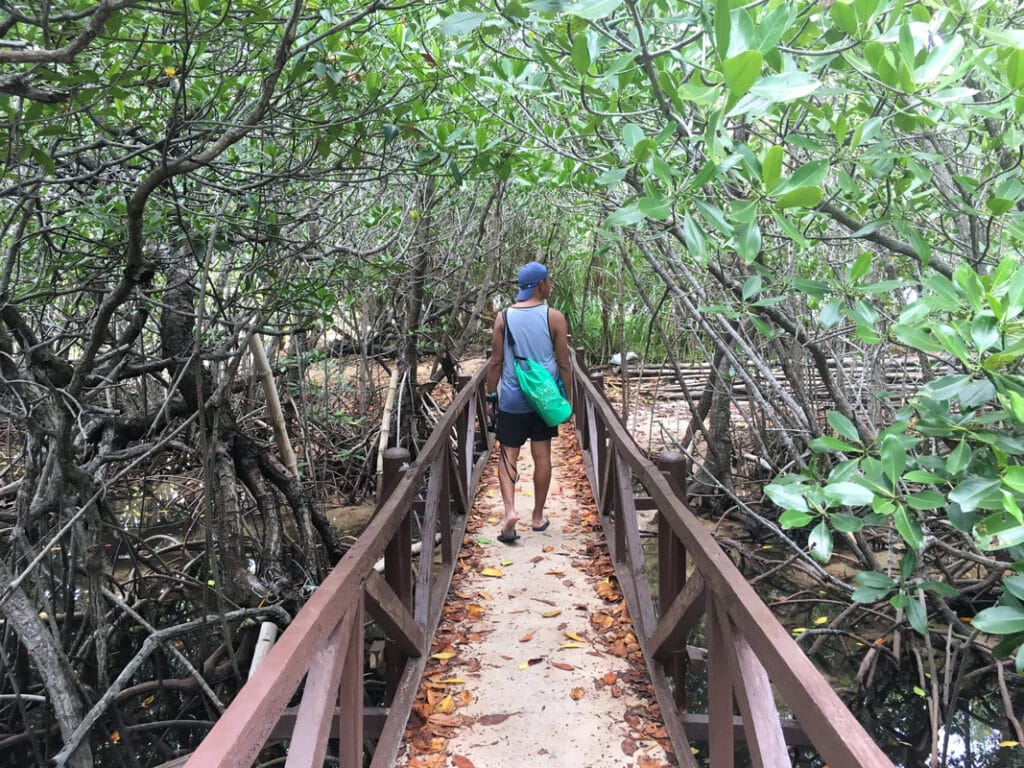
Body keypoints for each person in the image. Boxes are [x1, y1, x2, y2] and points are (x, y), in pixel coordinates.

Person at [485, 261, 572, 544]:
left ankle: (510, 512)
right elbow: (564, 363)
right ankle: (537, 516)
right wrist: (566, 400)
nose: (549, 285)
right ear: (539, 285)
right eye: (547, 280)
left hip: (512, 397)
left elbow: (495, 361)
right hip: (543, 400)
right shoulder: (554, 317)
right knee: (542, 455)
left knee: (507, 455)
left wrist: (491, 396)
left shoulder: (504, 318)